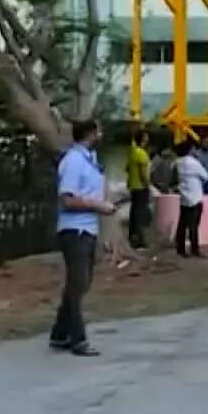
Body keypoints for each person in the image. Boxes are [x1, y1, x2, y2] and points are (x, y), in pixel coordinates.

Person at [51, 119, 120, 356]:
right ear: (90, 134)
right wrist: (98, 206)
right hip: (74, 230)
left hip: (88, 229)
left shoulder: (90, 161)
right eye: (99, 131)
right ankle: (77, 340)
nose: (101, 134)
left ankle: (60, 334)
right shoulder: (73, 161)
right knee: (78, 284)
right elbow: (67, 199)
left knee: (80, 284)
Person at [172, 139, 208, 258]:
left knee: (182, 224)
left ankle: (181, 249)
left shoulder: (176, 163)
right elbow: (206, 176)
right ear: (190, 150)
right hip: (195, 197)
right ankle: (194, 249)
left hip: (184, 197)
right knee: (194, 225)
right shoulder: (193, 163)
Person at [125, 129, 152, 251]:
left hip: (133, 187)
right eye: (146, 137)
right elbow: (144, 173)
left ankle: (133, 238)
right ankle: (140, 241)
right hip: (141, 187)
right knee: (140, 215)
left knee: (134, 214)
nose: (147, 139)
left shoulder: (132, 152)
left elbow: (127, 168)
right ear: (143, 139)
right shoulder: (141, 153)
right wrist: (147, 185)